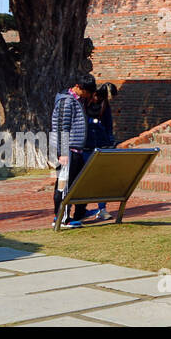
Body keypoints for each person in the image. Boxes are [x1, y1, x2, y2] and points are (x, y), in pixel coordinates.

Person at [50, 74, 95, 228]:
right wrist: (62, 153)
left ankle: (76, 213)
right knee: (64, 185)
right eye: (87, 92)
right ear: (79, 87)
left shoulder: (77, 100)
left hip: (76, 149)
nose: (88, 96)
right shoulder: (67, 101)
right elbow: (62, 128)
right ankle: (62, 218)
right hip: (67, 149)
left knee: (76, 183)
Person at [84, 82, 119, 222]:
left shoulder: (104, 106)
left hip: (100, 143)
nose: (98, 99)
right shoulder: (84, 103)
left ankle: (102, 208)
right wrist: (92, 122)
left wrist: (110, 142)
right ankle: (81, 209)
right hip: (85, 145)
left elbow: (108, 124)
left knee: (101, 177)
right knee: (84, 177)